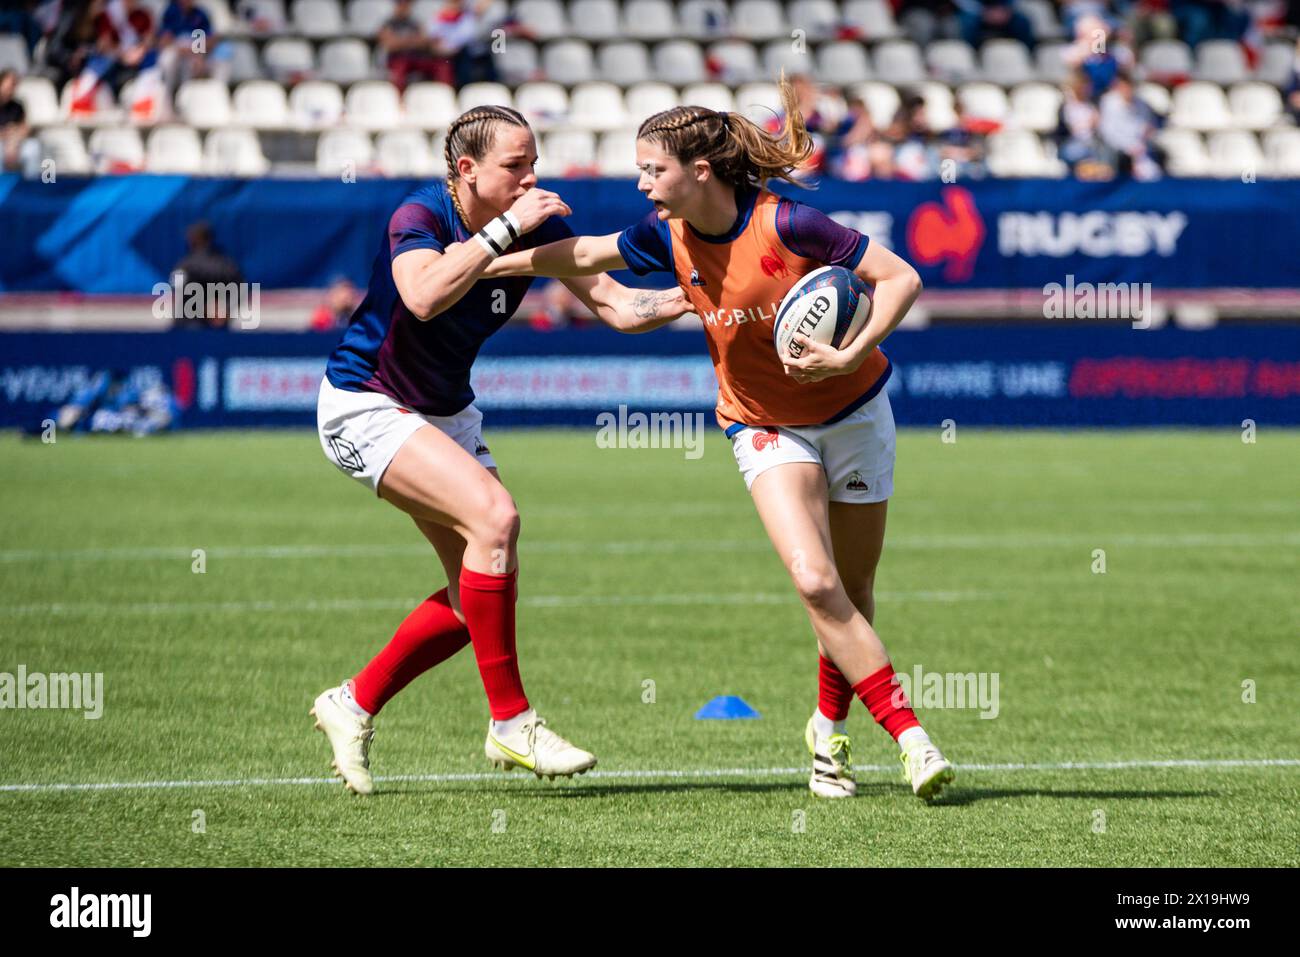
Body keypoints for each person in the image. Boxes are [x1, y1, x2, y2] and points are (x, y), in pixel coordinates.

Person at [481, 80, 956, 801]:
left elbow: (900, 278)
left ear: (700, 171)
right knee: (814, 579)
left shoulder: (791, 224)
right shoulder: (662, 235)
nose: (641, 183)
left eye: (653, 169)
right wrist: (485, 263)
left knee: (853, 589)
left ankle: (828, 734)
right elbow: (581, 256)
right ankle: (914, 741)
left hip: (857, 410)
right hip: (764, 423)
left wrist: (850, 351)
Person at [310, 105, 692, 795]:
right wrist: (506, 227)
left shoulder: (537, 221)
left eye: (533, 162)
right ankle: (512, 723)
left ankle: (353, 701)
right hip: (365, 403)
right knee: (497, 519)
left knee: (472, 594)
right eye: (515, 166)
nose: (530, 178)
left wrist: (699, 294)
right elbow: (423, 295)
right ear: (467, 171)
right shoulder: (420, 216)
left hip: (445, 412)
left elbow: (616, 305)